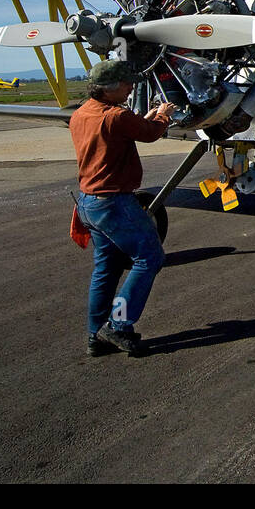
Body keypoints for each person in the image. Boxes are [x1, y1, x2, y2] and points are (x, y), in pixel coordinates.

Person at [70, 59, 177, 357]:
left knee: (106, 268)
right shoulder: (115, 116)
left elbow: (121, 130)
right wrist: (164, 116)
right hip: (115, 203)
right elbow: (150, 133)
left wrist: (147, 117)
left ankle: (95, 336)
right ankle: (118, 326)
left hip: (89, 204)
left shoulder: (81, 114)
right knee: (150, 258)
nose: (132, 86)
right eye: (126, 82)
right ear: (110, 87)